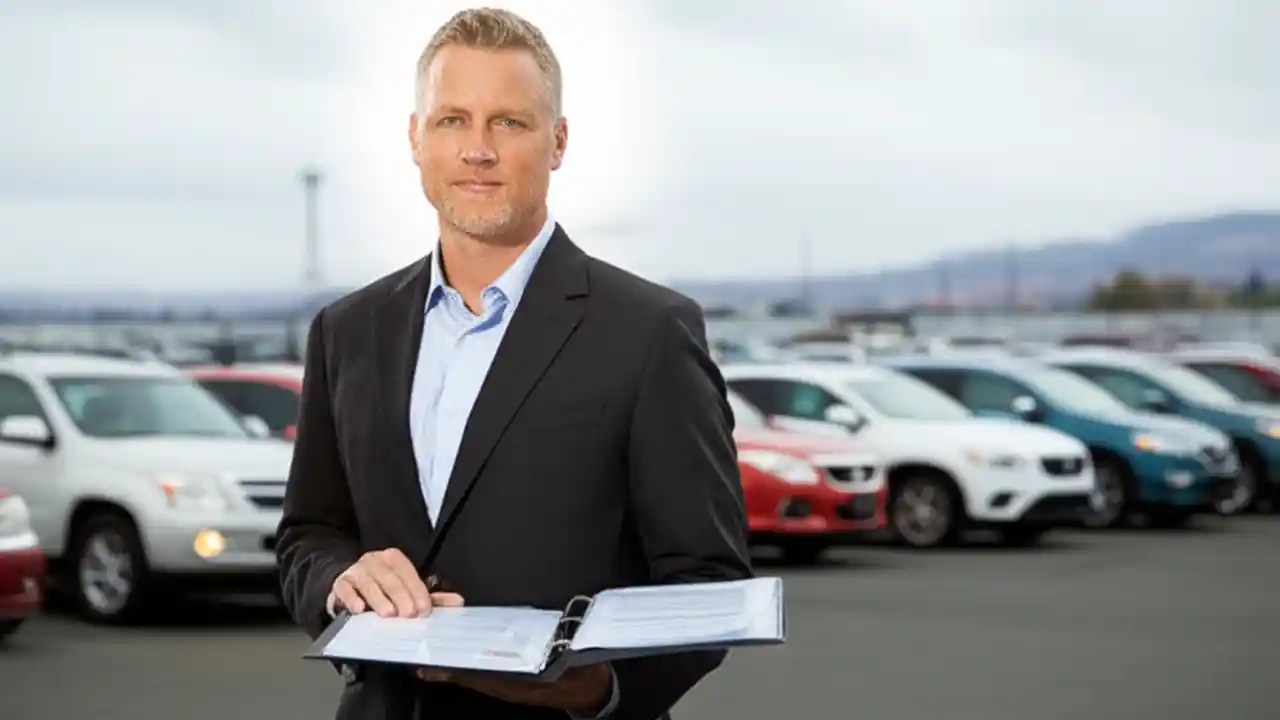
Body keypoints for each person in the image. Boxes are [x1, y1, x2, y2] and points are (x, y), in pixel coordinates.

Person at [275, 7, 753, 719]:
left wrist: (596, 687)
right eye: (452, 120)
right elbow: (308, 536)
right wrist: (339, 581)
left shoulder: (650, 332)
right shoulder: (347, 330)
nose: (478, 149)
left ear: (557, 142)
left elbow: (707, 581)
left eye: (508, 122)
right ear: (415, 138)